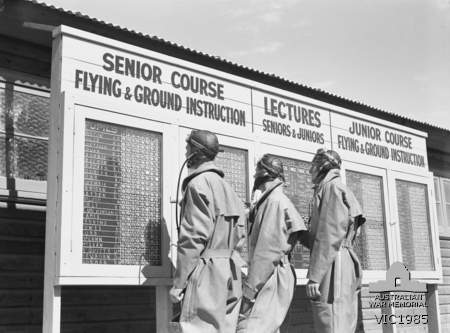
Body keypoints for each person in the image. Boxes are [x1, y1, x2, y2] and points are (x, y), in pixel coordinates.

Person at [169, 129, 246, 333]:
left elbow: (193, 238)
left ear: (195, 152)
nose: (186, 154)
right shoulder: (228, 188)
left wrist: (179, 283)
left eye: (188, 148)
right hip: (232, 273)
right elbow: (241, 236)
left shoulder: (198, 184)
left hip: (207, 274)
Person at [237, 154, 306, 333]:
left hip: (271, 273)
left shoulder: (274, 202)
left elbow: (266, 251)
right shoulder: (270, 200)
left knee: (250, 329)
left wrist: (250, 290)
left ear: (264, 174)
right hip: (270, 273)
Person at [302, 148, 366, 333]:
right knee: (336, 320)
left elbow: (330, 234)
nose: (309, 171)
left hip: (334, 261)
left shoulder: (332, 188)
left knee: (333, 322)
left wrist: (315, 276)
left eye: (313, 166)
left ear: (323, 166)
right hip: (336, 258)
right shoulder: (333, 188)